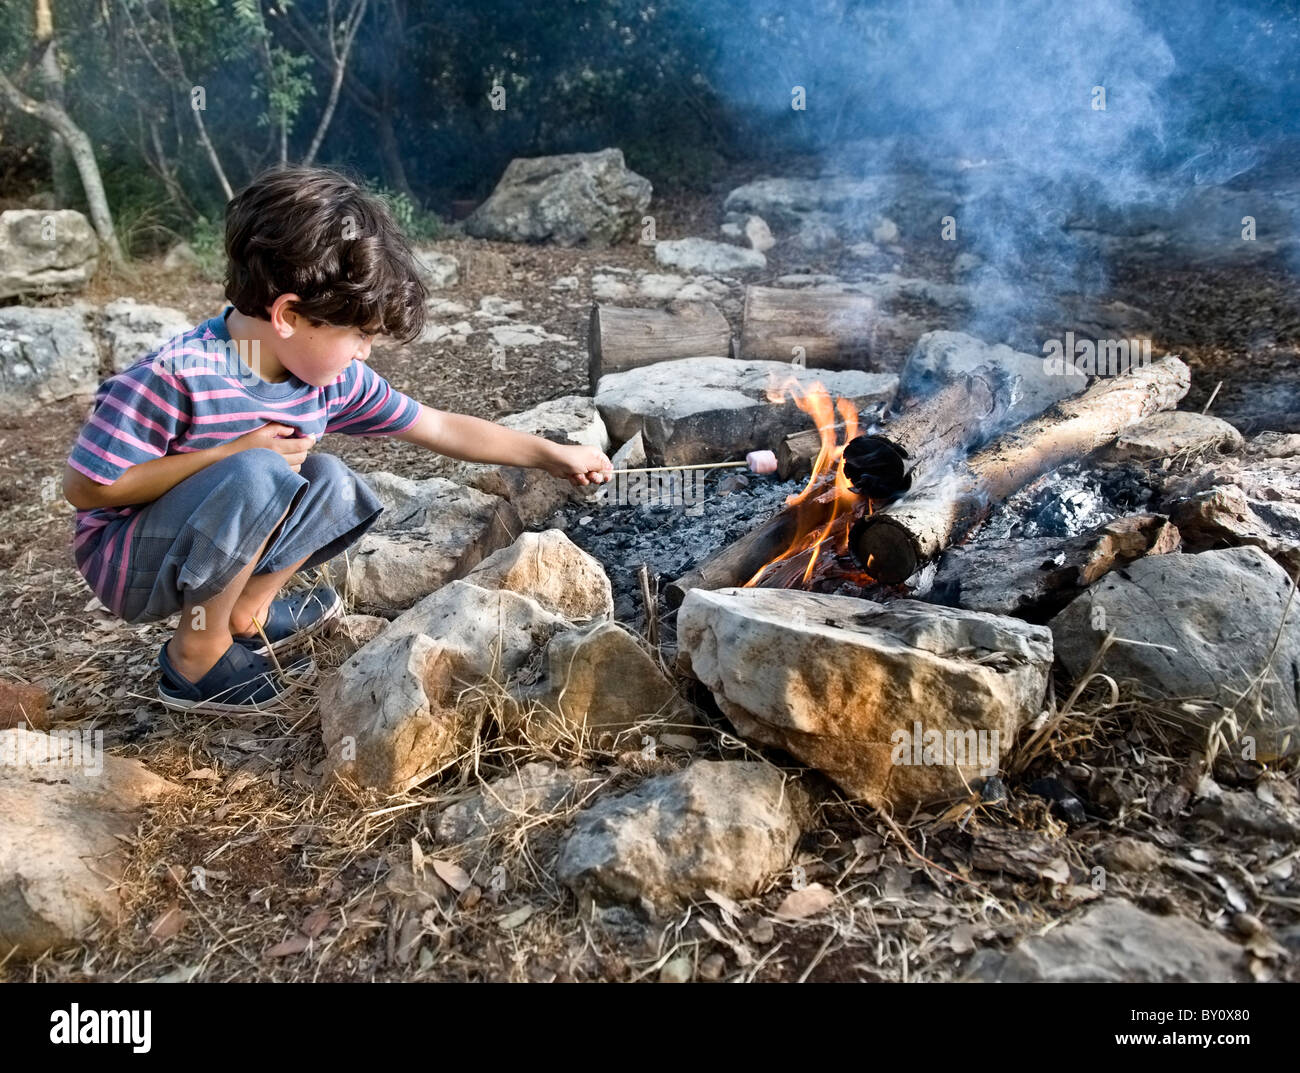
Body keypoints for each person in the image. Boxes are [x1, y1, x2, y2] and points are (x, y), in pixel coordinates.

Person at [62, 165, 612, 714]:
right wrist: (231, 453)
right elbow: (87, 489)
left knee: (331, 482)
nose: (365, 352)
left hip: (205, 543)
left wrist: (550, 454)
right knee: (259, 472)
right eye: (359, 335)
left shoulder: (329, 376)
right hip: (129, 559)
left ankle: (243, 614)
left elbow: (437, 426)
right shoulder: (179, 376)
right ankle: (196, 657)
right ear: (289, 314)